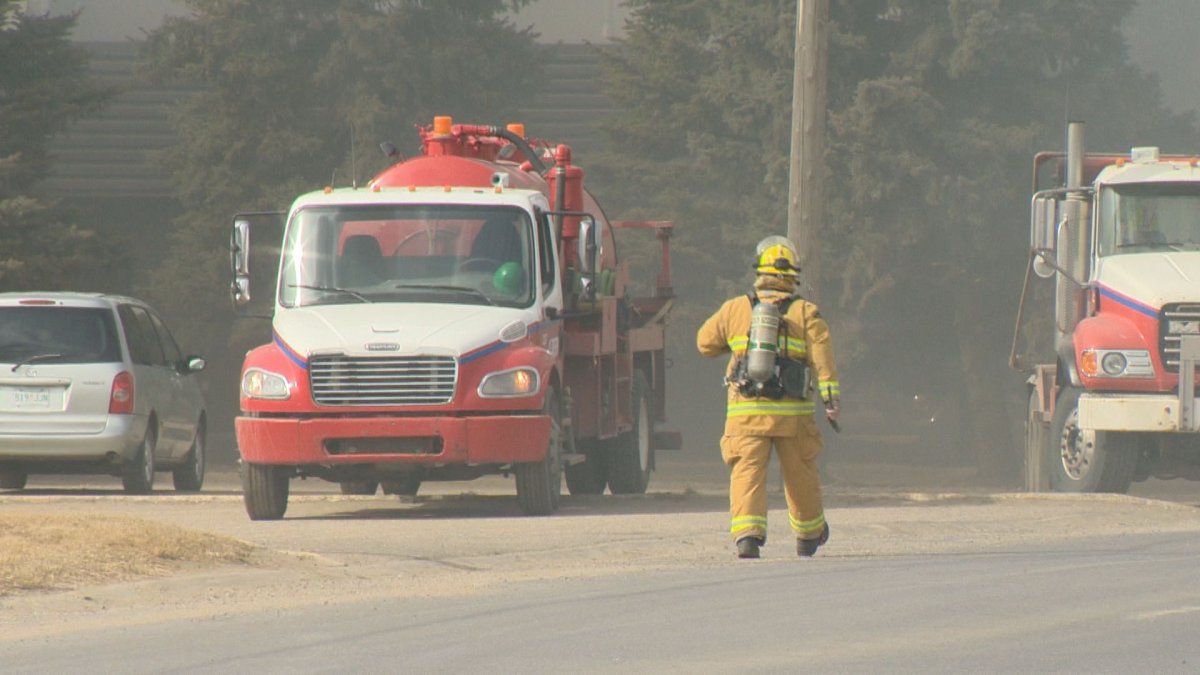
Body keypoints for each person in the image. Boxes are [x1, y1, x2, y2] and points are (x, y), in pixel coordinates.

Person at [696, 235, 840, 559]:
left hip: (745, 413)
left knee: (747, 472)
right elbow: (823, 362)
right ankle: (808, 535)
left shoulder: (735, 309)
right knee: (800, 473)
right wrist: (831, 401)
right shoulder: (806, 313)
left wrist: (734, 346)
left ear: (759, 272)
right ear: (793, 276)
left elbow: (704, 343)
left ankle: (747, 537)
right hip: (793, 416)